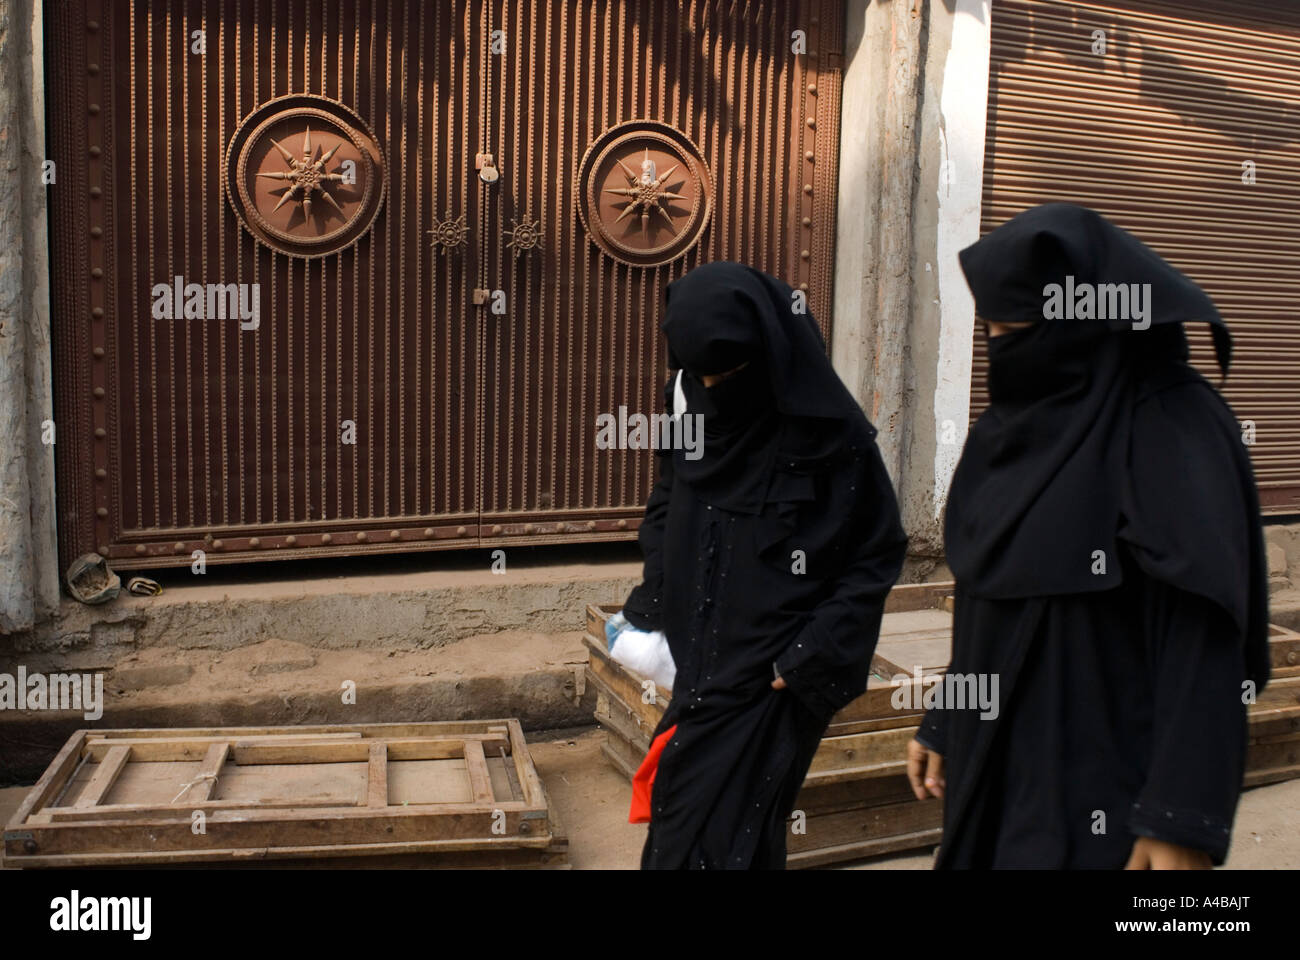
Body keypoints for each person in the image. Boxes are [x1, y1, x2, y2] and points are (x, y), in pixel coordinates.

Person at [907, 203, 1271, 869]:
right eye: (991, 328)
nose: (998, 347)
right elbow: (993, 602)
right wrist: (948, 714)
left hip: (1109, 782)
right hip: (999, 768)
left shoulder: (1172, 423)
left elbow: (1204, 635)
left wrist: (1180, 817)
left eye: (1012, 329)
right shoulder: (1011, 433)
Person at [621, 261, 907, 870]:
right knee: (682, 814)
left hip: (776, 673)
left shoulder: (831, 436)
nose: (713, 385)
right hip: (699, 661)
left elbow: (877, 553)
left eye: (728, 372)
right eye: (700, 374)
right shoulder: (690, 403)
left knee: (729, 834)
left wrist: (811, 654)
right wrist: (654, 600)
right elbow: (669, 500)